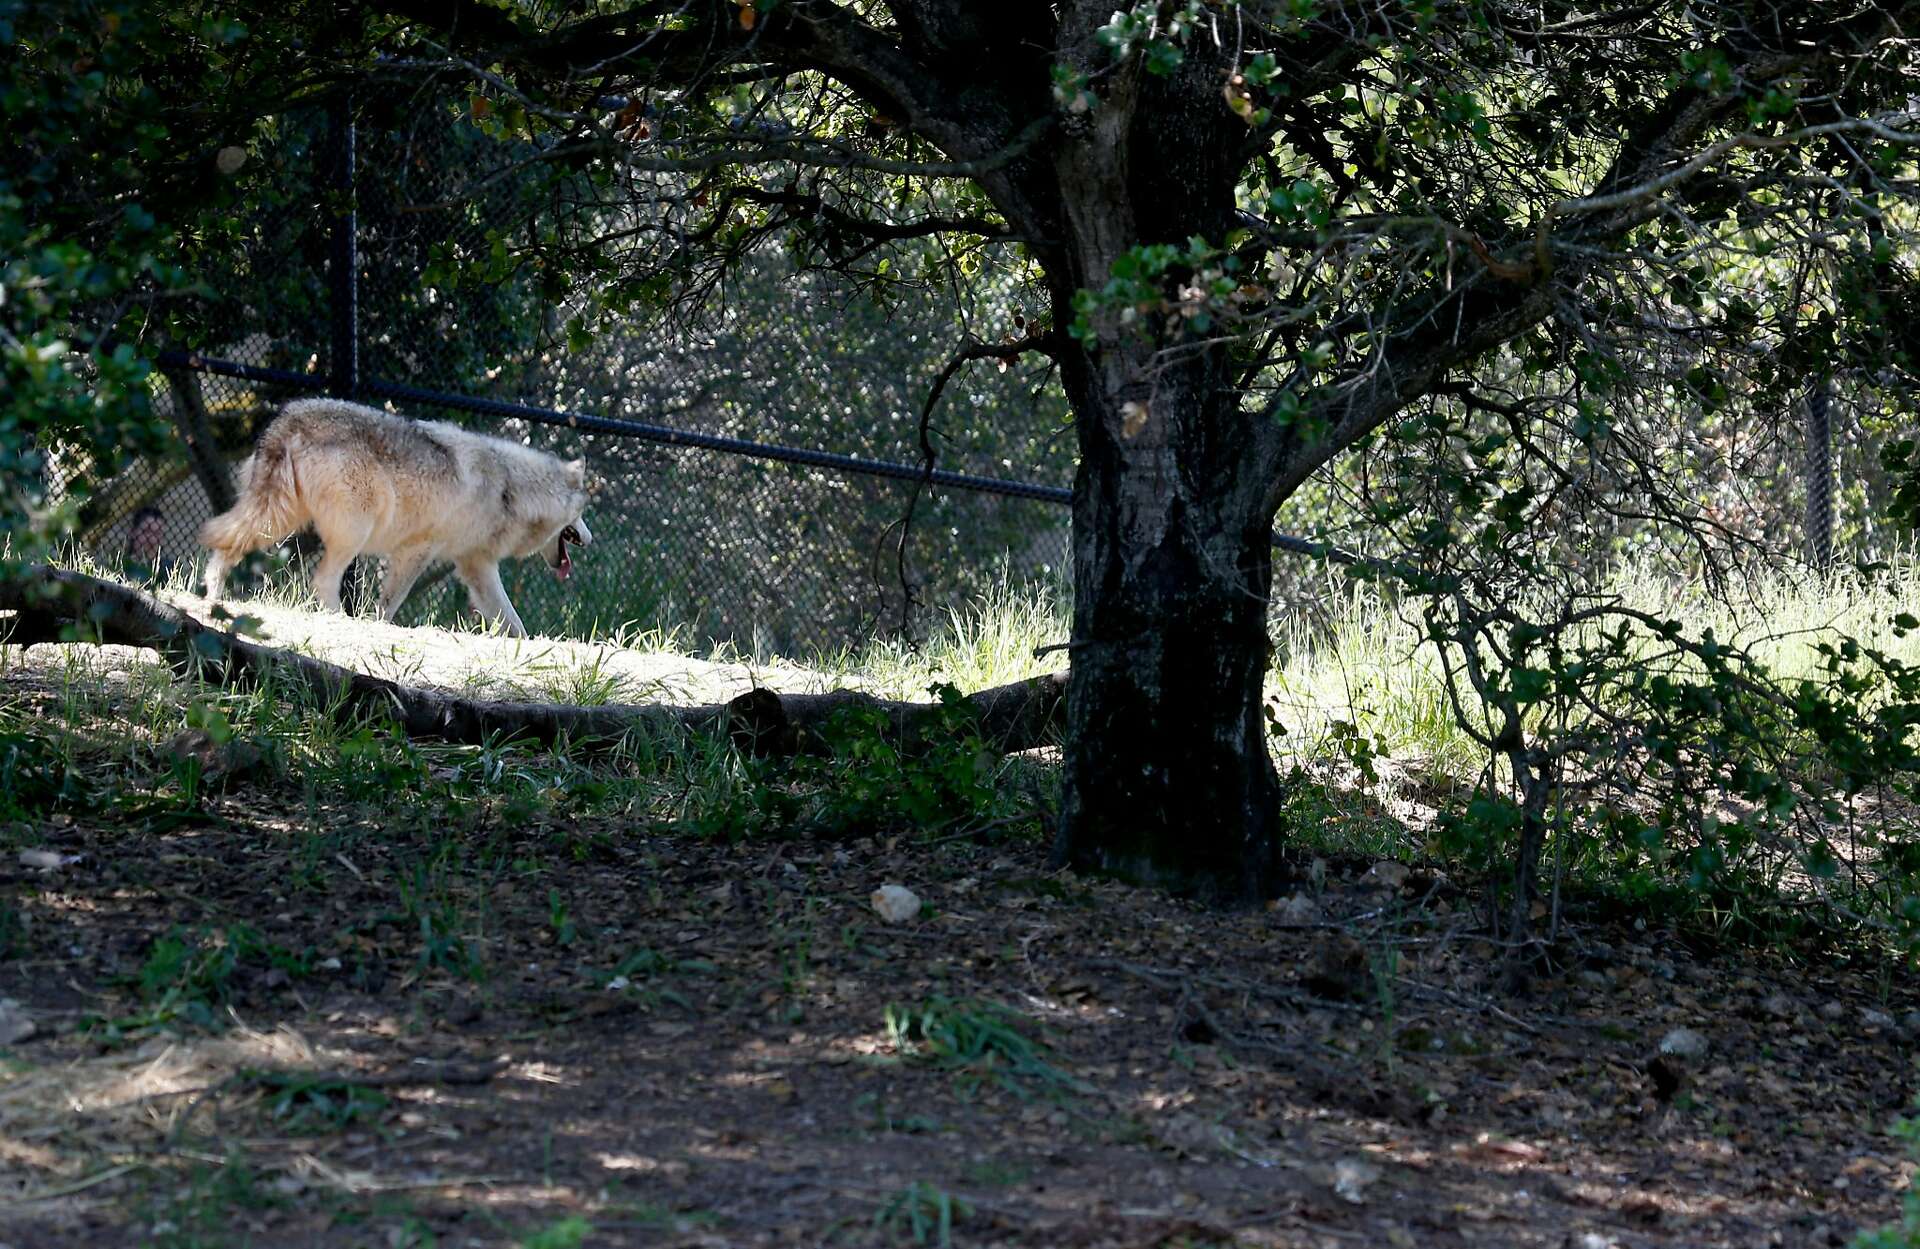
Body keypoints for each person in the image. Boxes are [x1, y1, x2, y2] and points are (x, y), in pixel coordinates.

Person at [124, 505, 176, 583]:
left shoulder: (169, 571)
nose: (152, 540)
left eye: (157, 533)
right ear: (133, 532)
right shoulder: (119, 566)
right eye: (146, 531)